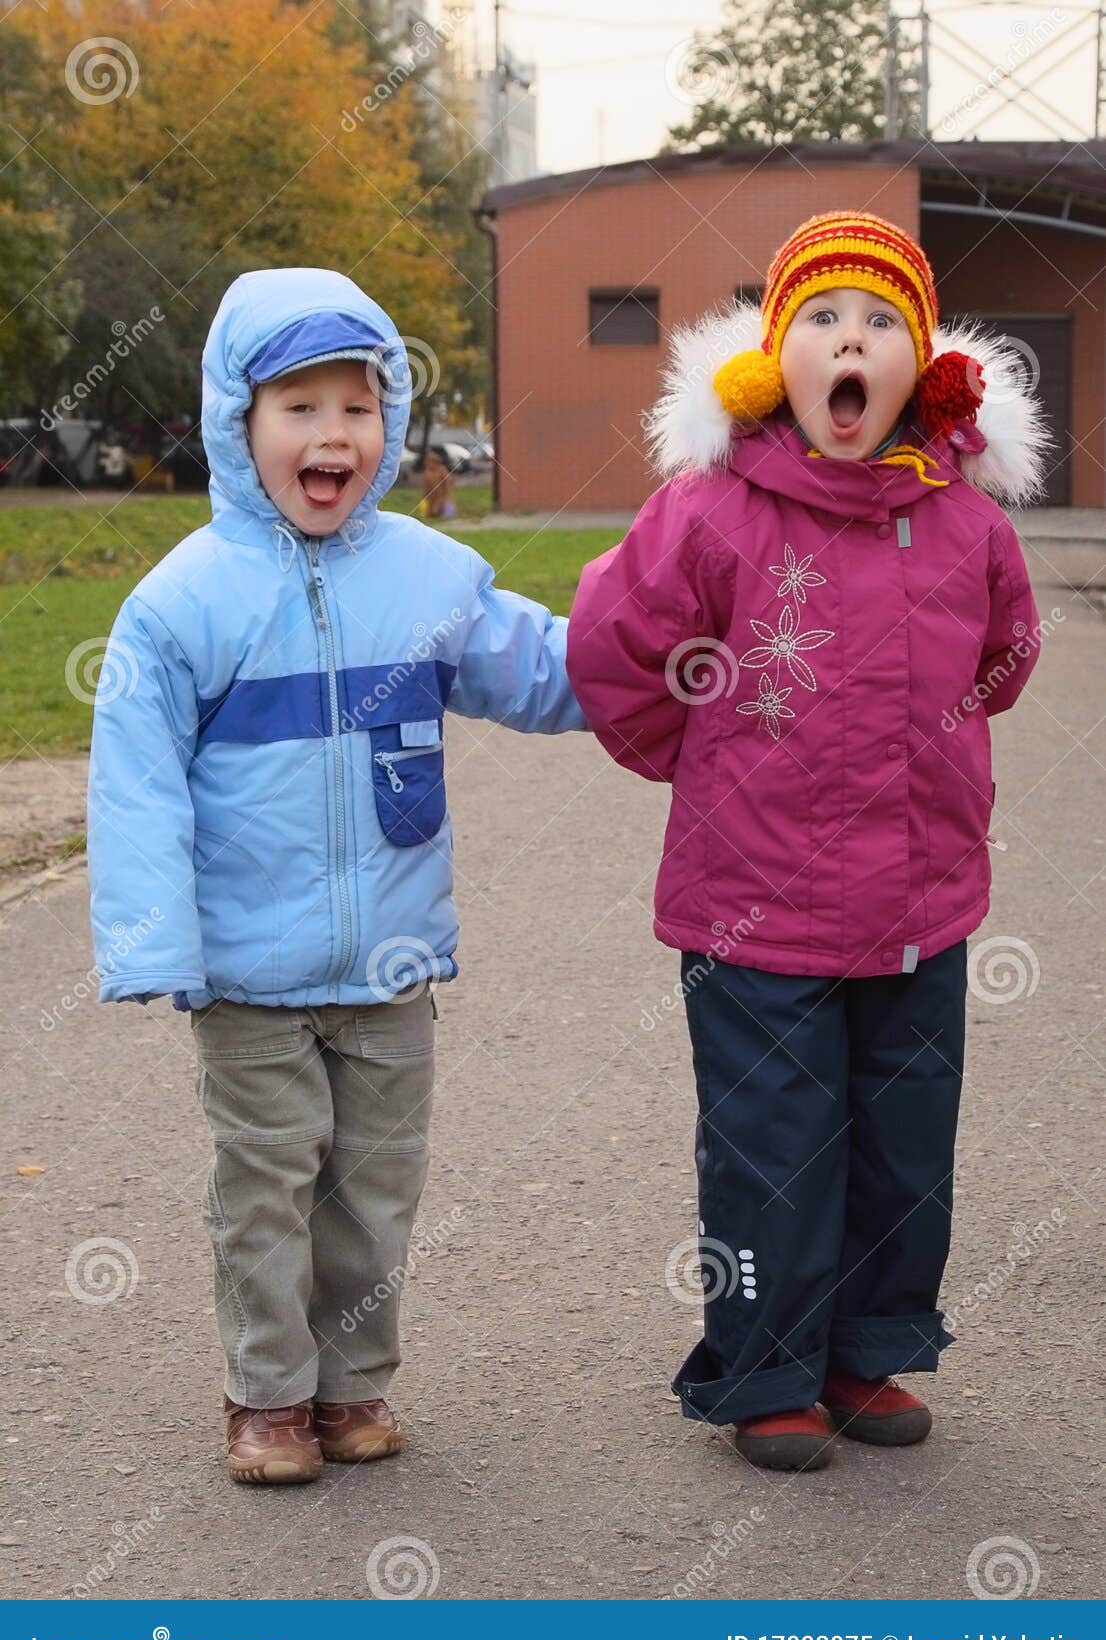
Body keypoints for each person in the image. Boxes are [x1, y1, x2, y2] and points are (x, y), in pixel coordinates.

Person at [87, 267, 585, 1485]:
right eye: (296, 407)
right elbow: (137, 785)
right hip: (248, 974)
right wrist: (156, 943)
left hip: (391, 964)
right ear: (236, 424)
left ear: (390, 421)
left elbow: (543, 668)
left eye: (356, 407)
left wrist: (665, 668)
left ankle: (352, 1383)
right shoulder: (182, 605)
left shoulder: (424, 576)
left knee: (371, 1191)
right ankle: (266, 1392)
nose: (331, 434)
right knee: (265, 1186)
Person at [567, 211, 1047, 1473]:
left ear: (922, 367)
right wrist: (696, 757)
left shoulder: (964, 523)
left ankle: (864, 1346)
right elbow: (618, 644)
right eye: (821, 319)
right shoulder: (713, 511)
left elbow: (1004, 655)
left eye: (880, 322)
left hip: (918, 902)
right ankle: (764, 1369)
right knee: (773, 1148)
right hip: (753, 909)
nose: (850, 341)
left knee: (902, 1139)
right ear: (774, 358)